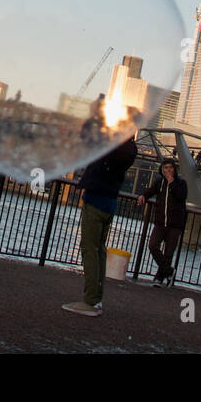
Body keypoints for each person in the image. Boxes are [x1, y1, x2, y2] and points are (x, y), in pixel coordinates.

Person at [62, 122, 139, 317]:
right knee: (99, 249)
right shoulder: (129, 149)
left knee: (89, 248)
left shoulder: (112, 147)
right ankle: (97, 300)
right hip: (109, 202)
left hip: (96, 200)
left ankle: (90, 301)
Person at [137, 159, 188, 287]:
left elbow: (181, 196)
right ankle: (169, 271)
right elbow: (151, 190)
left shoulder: (181, 183)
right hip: (160, 223)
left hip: (175, 224)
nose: (168, 170)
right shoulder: (159, 182)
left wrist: (172, 184)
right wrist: (144, 196)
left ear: (174, 169)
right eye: (165, 168)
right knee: (153, 245)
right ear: (162, 170)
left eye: (170, 168)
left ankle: (159, 278)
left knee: (168, 253)